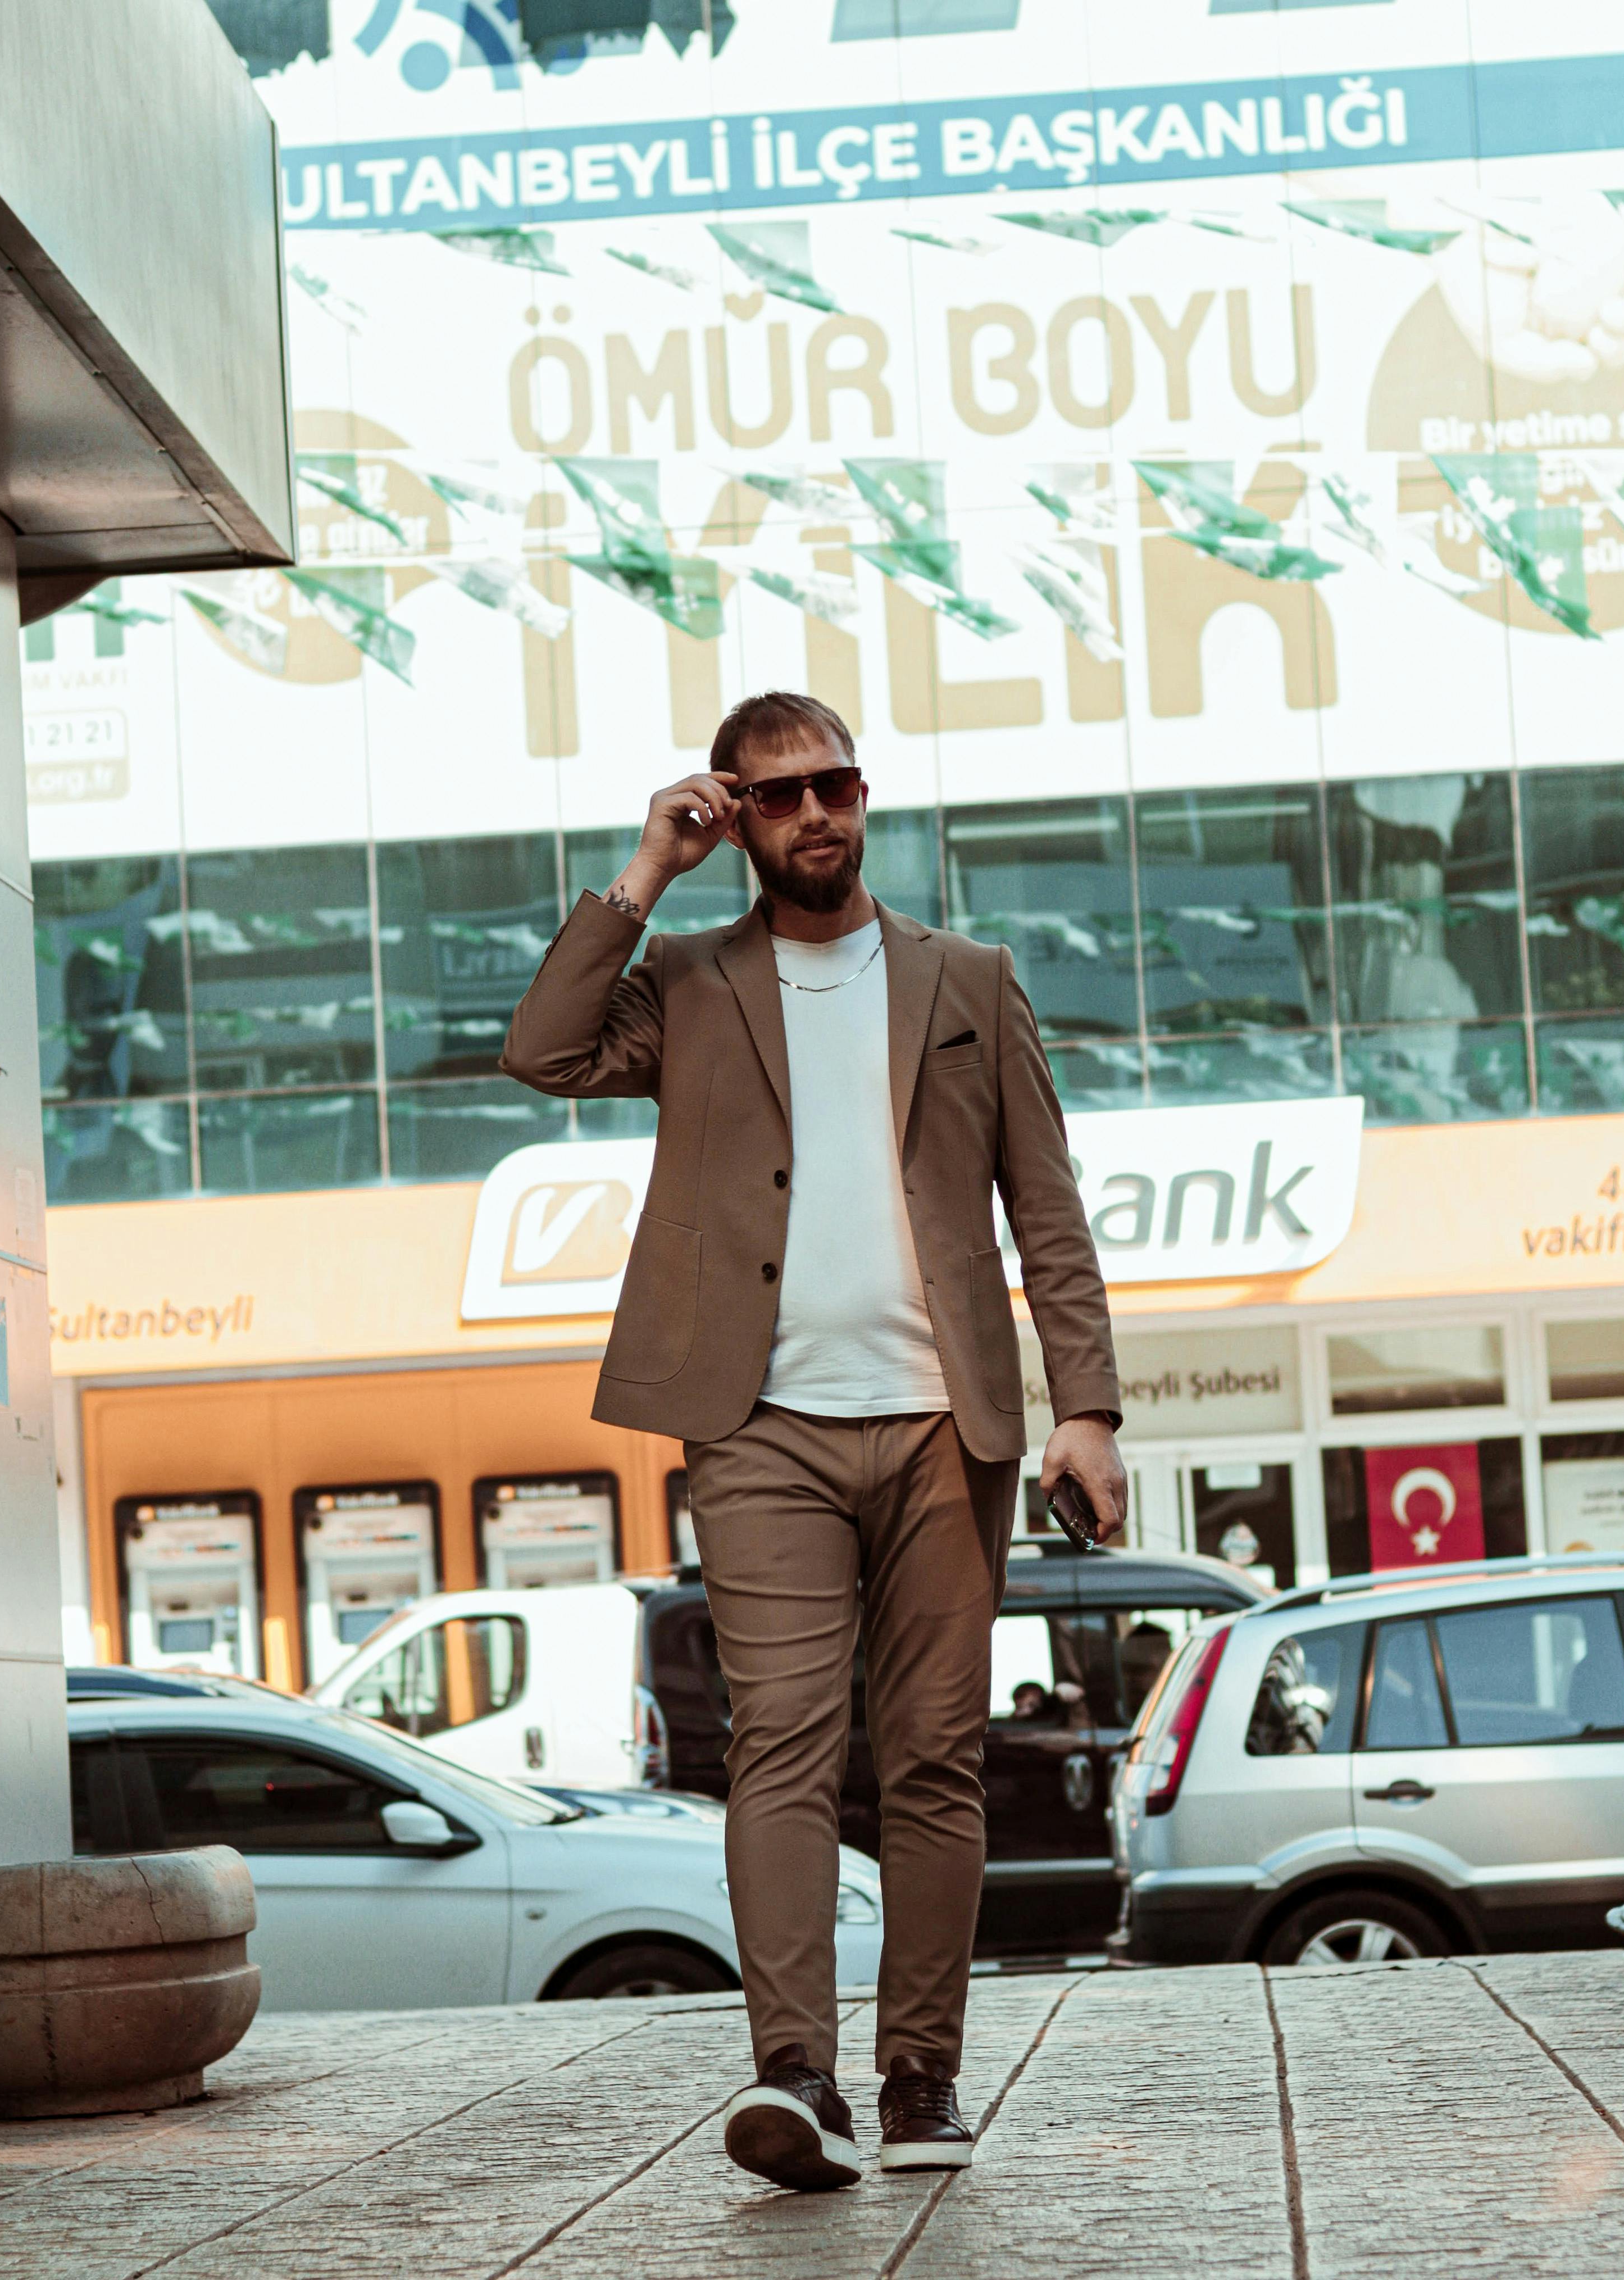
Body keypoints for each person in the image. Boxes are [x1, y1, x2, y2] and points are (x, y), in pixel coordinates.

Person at [502, 690, 1124, 2192]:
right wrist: (644, 871)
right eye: (772, 796)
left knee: (930, 1757)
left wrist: (1085, 1409)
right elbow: (541, 1048)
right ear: (733, 814)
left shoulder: (968, 978)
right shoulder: (690, 979)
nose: (811, 813)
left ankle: (920, 2077)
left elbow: (1044, 1208)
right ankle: (795, 2073)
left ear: (863, 793)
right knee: (781, 1742)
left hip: (941, 1427)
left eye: (831, 783)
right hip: (757, 1422)